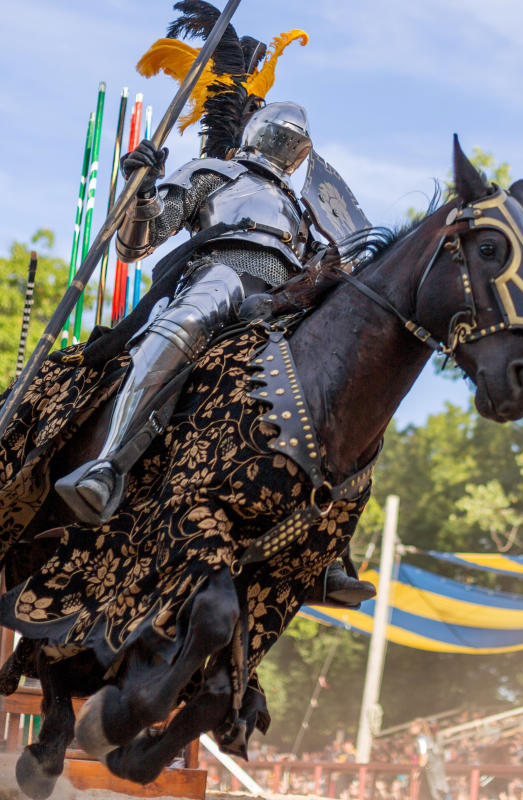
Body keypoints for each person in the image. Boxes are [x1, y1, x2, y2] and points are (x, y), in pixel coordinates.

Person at [54, 100, 374, 608]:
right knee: (182, 323)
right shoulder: (214, 173)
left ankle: (324, 550)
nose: (286, 145)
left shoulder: (305, 211)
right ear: (256, 131)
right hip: (219, 275)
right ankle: (107, 466)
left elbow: (328, 273)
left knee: (327, 390)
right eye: (281, 135)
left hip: (277, 307)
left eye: (295, 141)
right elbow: (138, 244)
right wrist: (140, 192)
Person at [412, 720, 451, 800]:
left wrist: (418, 770)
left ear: (420, 727)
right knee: (439, 789)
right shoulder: (426, 737)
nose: (411, 728)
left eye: (413, 726)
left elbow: (424, 754)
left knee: (438, 790)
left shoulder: (421, 739)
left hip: (433, 766)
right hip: (434, 765)